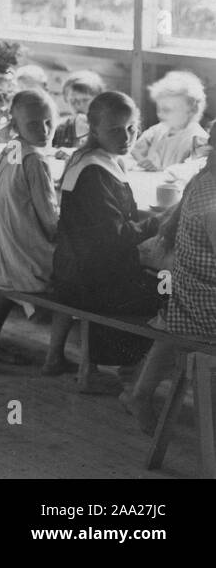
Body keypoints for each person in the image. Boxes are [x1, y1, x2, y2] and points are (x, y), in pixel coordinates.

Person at [45, 92, 164, 390]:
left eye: (131, 128)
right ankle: (130, 368)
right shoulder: (95, 173)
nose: (126, 137)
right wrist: (159, 222)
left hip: (73, 272)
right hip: (89, 283)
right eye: (115, 130)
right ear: (94, 130)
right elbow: (116, 239)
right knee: (166, 289)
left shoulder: (86, 158)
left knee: (144, 274)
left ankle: (106, 363)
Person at [122, 123, 216, 433]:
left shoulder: (205, 177)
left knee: (176, 327)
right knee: (185, 329)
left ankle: (140, 393)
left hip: (190, 291)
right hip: (204, 295)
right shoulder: (211, 193)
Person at [0, 90, 61, 369]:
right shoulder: (36, 161)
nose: (43, 130)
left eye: (48, 123)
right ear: (16, 127)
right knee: (68, 271)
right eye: (33, 124)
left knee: (6, 282)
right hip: (19, 247)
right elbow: (49, 219)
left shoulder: (11, 149)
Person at [131, 70, 208, 170]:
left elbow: (194, 170)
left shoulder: (198, 140)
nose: (160, 114)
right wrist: (140, 162)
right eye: (158, 109)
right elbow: (133, 152)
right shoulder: (157, 130)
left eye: (167, 110)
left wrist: (160, 171)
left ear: (192, 110)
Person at [52, 70, 104, 149]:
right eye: (73, 100)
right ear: (66, 99)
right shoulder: (59, 128)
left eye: (85, 100)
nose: (79, 105)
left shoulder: (106, 129)